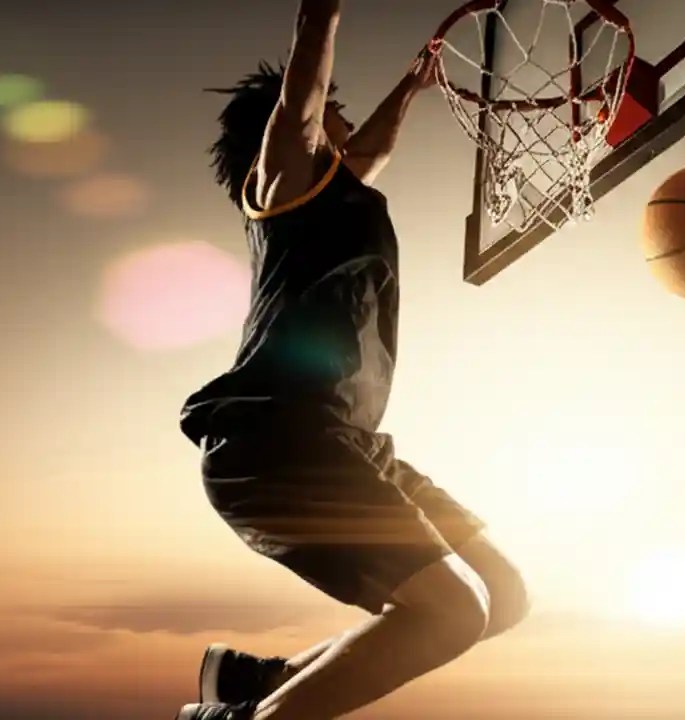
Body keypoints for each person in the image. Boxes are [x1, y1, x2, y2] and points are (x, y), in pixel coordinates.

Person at [175, 2, 529, 718]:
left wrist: (411, 86)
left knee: (503, 595)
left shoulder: (334, 190)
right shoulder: (278, 183)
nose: (340, 118)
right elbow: (304, 92)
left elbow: (370, 150)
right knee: (452, 612)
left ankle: (256, 685)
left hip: (345, 443)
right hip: (277, 442)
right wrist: (323, 16)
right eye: (331, 111)